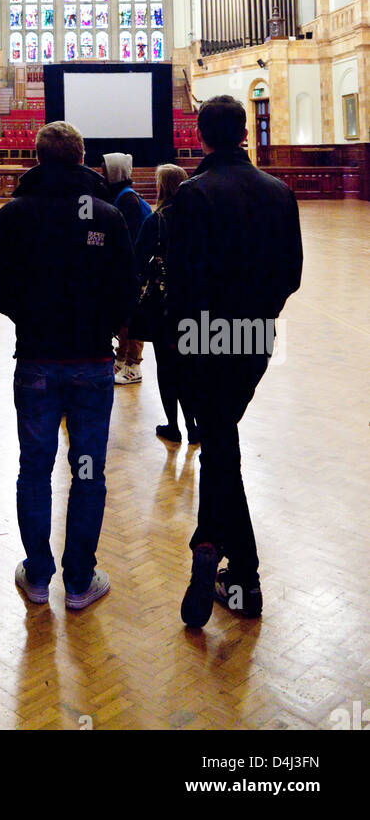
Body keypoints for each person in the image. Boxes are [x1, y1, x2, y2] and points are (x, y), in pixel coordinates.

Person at [0, 122, 137, 611]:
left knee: (35, 469)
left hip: (36, 363)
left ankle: (38, 576)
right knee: (88, 472)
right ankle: (80, 581)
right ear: (81, 156)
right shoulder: (108, 216)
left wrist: (28, 317)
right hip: (92, 364)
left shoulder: (14, 215)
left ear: (37, 156)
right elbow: (128, 291)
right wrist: (101, 327)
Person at [167, 95, 303, 628]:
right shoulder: (280, 192)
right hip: (254, 338)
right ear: (245, 132)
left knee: (221, 443)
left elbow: (181, 285)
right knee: (222, 442)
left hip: (203, 338)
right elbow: (290, 274)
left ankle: (219, 553)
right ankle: (238, 572)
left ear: (201, 136)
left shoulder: (194, 196)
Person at [133, 163, 198, 444]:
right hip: (194, 300)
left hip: (163, 303)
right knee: (191, 365)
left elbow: (137, 259)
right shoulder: (198, 216)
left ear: (162, 186)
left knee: (166, 365)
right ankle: (195, 425)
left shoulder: (156, 219)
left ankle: (173, 425)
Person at [102, 151, 152, 386]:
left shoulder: (127, 199)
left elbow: (129, 240)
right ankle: (121, 359)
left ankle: (134, 365)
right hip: (126, 269)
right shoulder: (122, 196)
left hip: (134, 270)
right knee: (123, 318)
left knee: (133, 318)